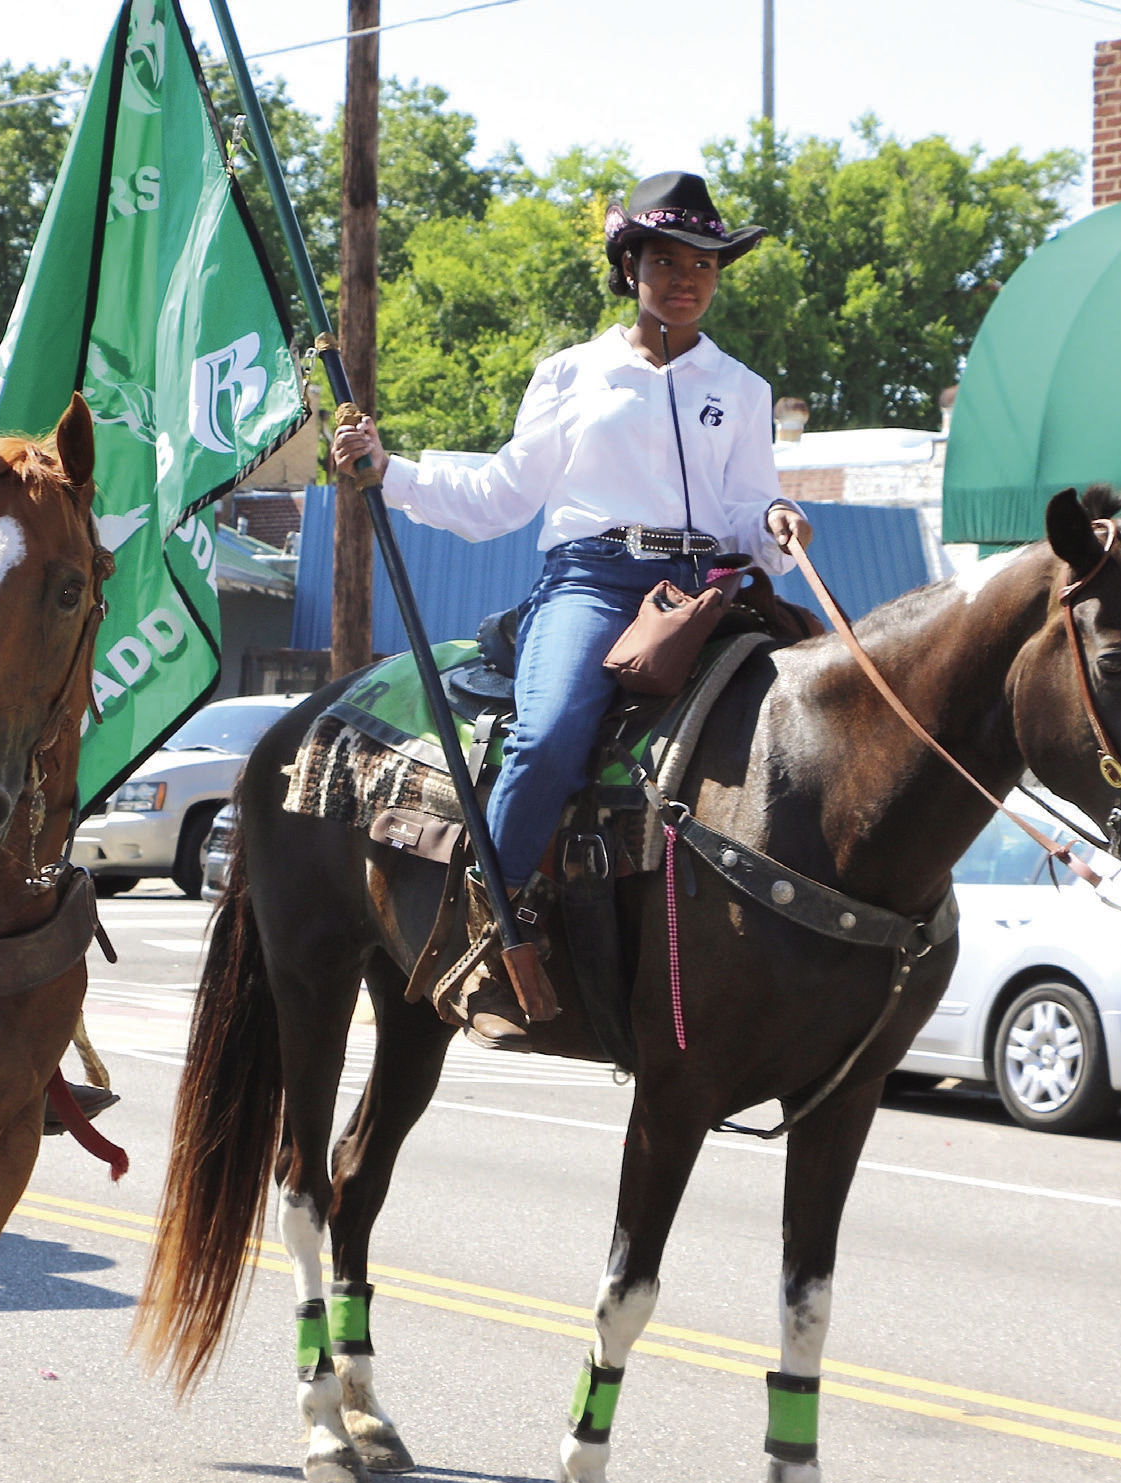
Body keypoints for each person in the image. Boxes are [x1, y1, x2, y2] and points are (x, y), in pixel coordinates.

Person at [331, 170, 814, 1049]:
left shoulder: (740, 388)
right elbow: (499, 495)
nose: (686, 279)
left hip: (701, 591)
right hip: (592, 581)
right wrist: (389, 472)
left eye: (703, 264)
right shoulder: (572, 373)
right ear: (628, 267)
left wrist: (776, 520)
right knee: (550, 735)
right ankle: (489, 930)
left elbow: (747, 505)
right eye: (665, 261)